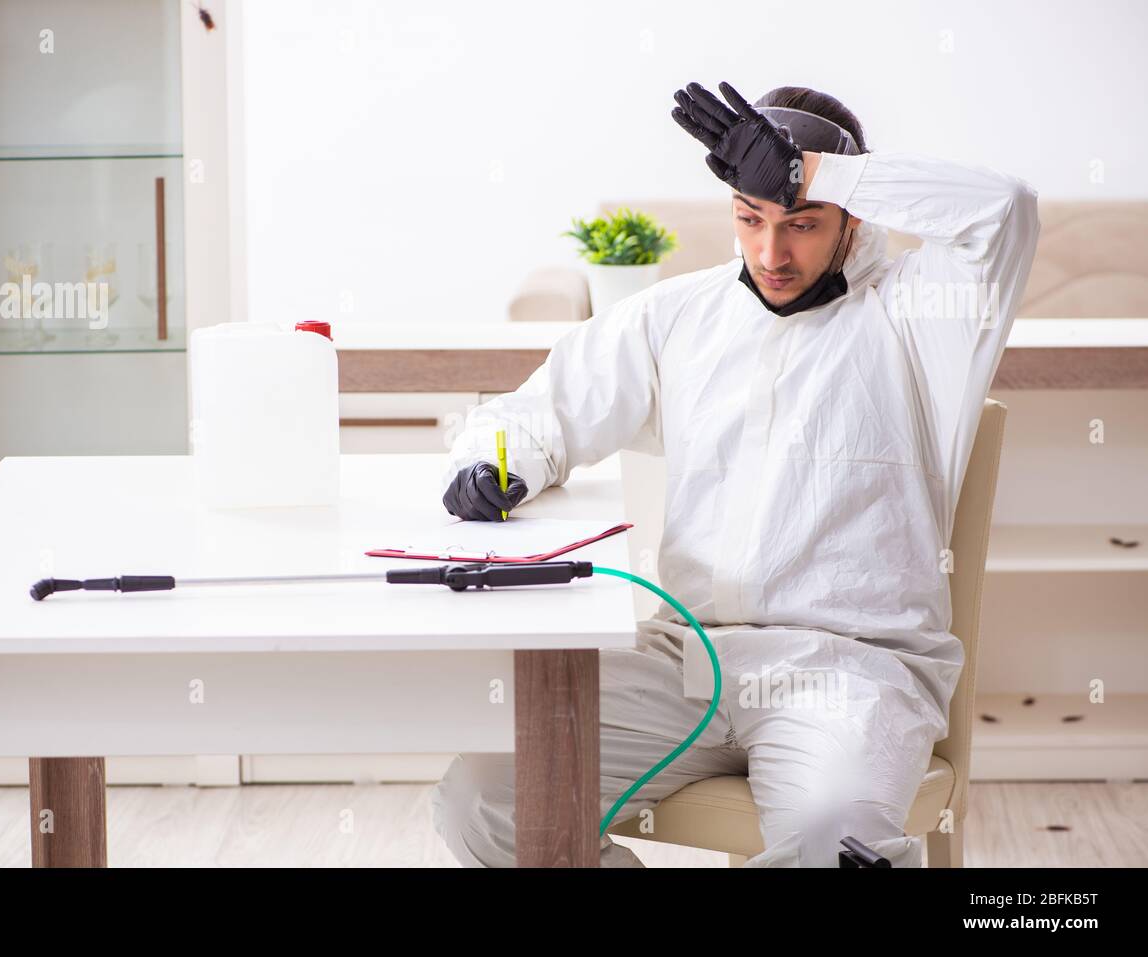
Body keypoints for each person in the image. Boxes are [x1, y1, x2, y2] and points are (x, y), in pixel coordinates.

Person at [431, 81, 1040, 867]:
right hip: (685, 662)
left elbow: (1007, 210)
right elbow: (542, 409)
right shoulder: (681, 314)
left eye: (802, 223)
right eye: (751, 218)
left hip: (846, 678)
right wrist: (495, 461)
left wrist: (810, 171)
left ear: (853, 217)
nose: (771, 254)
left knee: (837, 846)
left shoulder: (924, 316)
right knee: (484, 797)